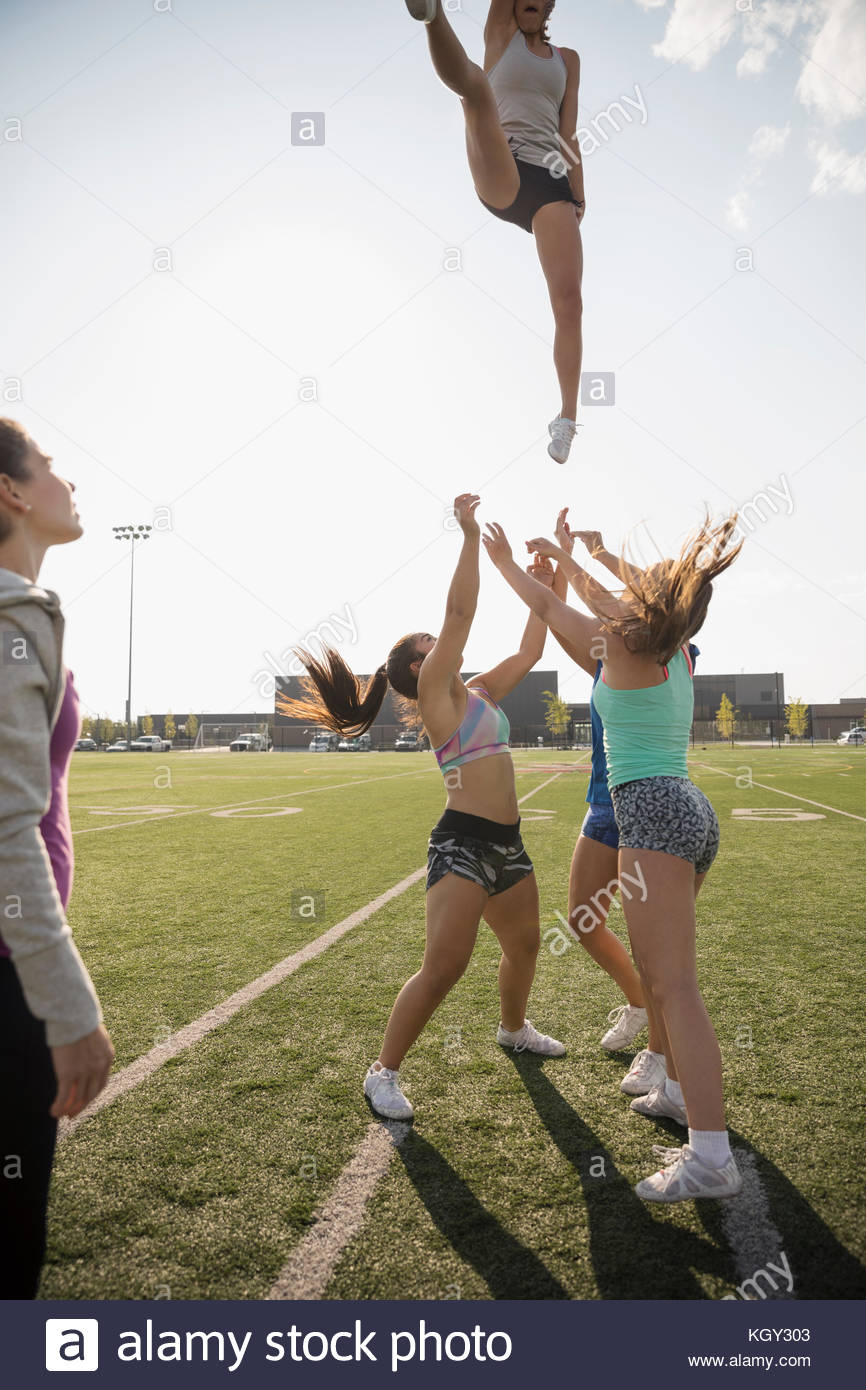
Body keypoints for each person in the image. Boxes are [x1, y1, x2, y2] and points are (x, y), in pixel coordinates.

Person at [483, 512, 744, 1203]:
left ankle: (712, 1158)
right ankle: (680, 1096)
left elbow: (553, 606)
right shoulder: (673, 648)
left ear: (643, 608)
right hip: (688, 809)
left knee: (674, 986)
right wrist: (577, 560)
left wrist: (513, 561)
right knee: (668, 981)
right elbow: (614, 601)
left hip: (652, 813)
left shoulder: (625, 642)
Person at [277, 494, 565, 1122]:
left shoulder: (479, 690)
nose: (448, 645)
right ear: (419, 665)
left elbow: (531, 652)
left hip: (507, 844)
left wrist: (553, 581)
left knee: (526, 945)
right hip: (461, 844)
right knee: (445, 967)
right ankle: (382, 1072)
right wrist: (468, 537)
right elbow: (461, 609)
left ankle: (513, 1030)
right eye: (433, 645)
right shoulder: (438, 692)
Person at [0, 419, 115, 1297]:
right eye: (47, 466)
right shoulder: (11, 617)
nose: (65, 478)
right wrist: (66, 1006)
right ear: (12, 492)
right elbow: (6, 827)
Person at [546, 513, 699, 1098]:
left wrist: (569, 565)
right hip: (605, 797)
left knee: (652, 946)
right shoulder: (617, 640)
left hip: (644, 799)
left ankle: (661, 1054)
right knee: (584, 916)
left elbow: (620, 608)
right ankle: (640, 1008)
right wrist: (586, 560)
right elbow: (577, 628)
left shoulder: (656, 642)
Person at [405, 2, 584, 464]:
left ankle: (566, 419)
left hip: (550, 182)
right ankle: (430, 13)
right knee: (477, 92)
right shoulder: (501, 29)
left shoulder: (568, 60)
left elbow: (570, 132)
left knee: (569, 301)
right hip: (502, 163)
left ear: (549, 6)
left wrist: (578, 198)